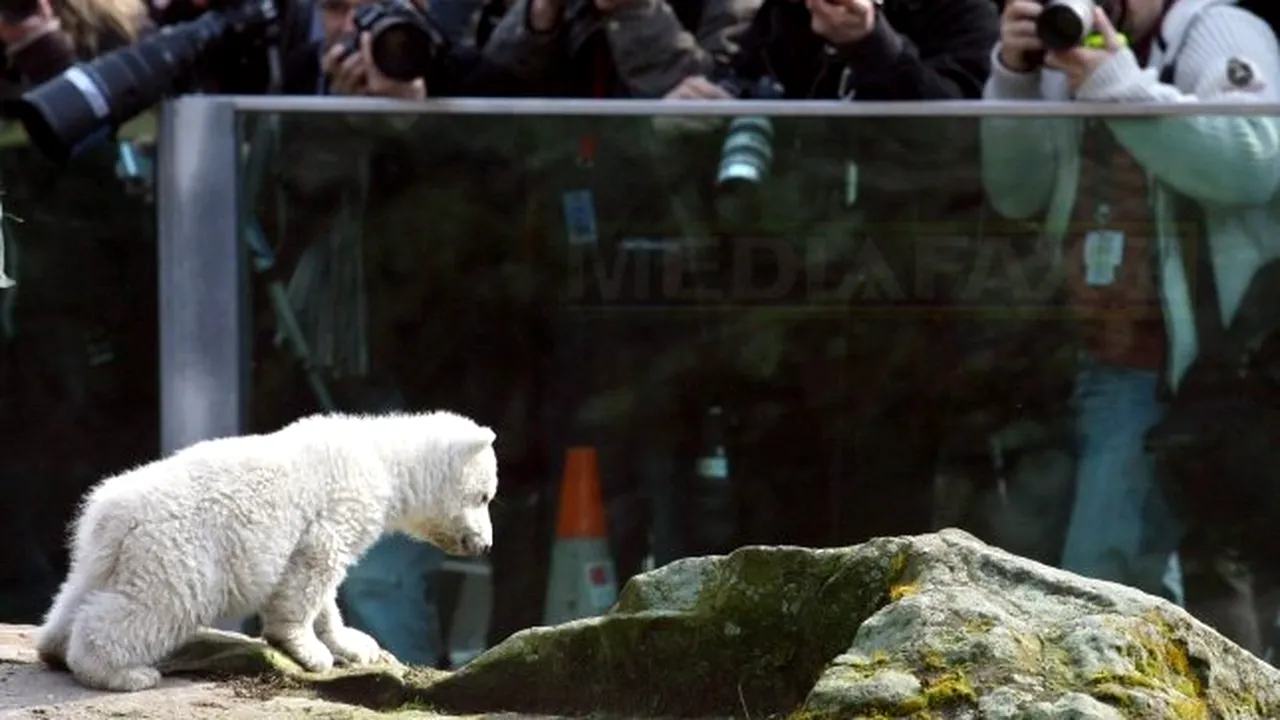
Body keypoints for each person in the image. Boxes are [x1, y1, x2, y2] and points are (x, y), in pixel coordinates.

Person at [981, 0, 1280, 649]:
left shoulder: (1218, 31)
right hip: (1079, 356)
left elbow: (1254, 163)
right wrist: (1014, 78)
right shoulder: (1065, 50)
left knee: (1097, 595)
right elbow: (1014, 192)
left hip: (1189, 367)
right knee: (1103, 585)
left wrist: (1116, 85)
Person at [664, 0, 998, 100]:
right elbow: (753, 76)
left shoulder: (962, 11)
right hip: (800, 224)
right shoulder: (788, 12)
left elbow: (956, 133)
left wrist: (871, 44)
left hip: (915, 230)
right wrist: (714, 102)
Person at [481, 0, 761, 97]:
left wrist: (634, 10)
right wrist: (541, 15)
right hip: (561, 181)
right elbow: (491, 84)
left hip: (669, 188)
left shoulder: (729, 8)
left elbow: (720, 97)